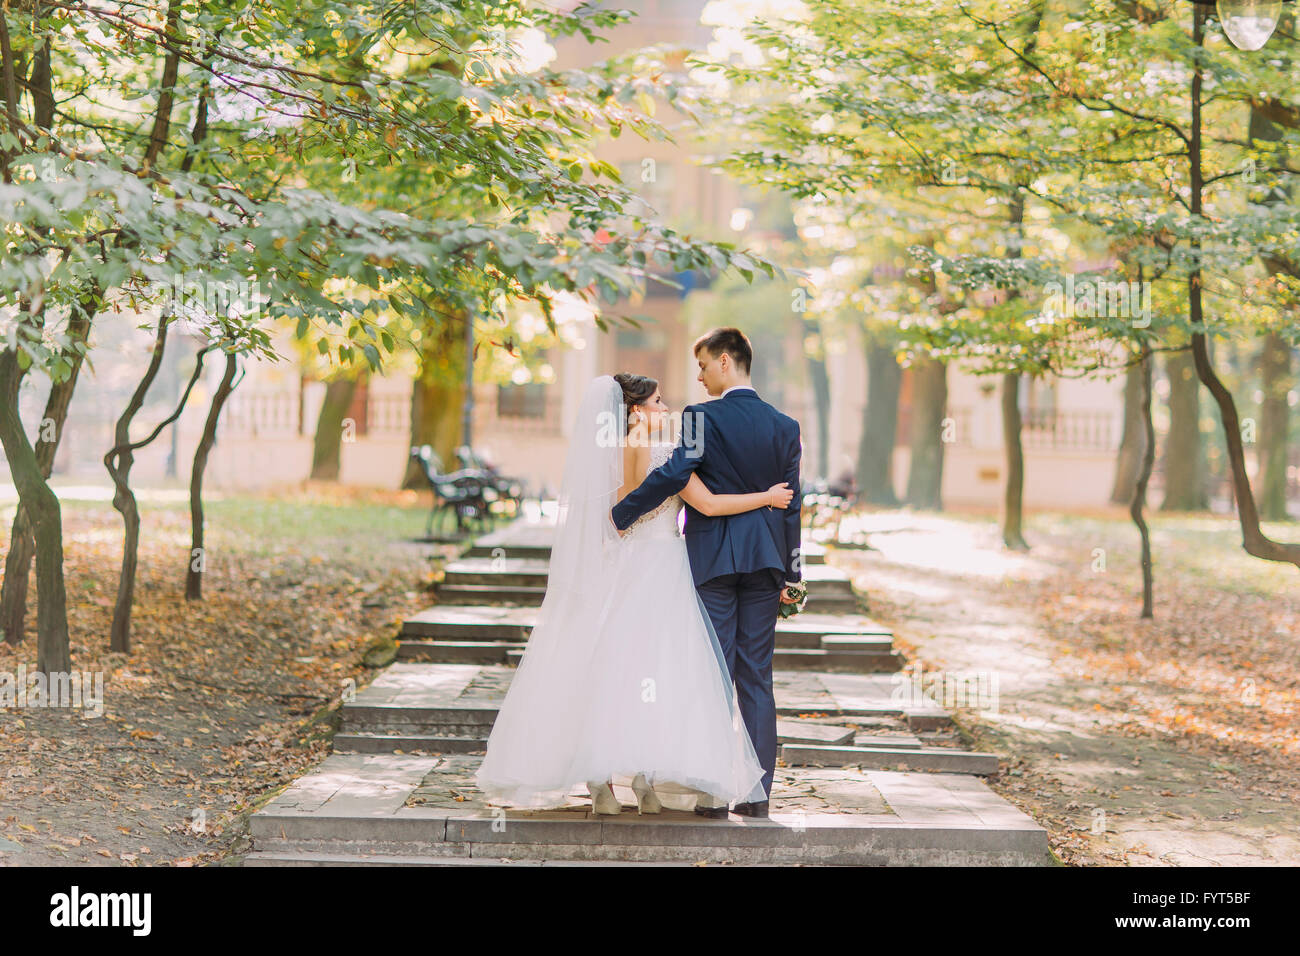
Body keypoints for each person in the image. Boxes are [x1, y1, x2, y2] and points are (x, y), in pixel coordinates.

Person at [473, 371, 795, 815]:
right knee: (661, 671)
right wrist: (767, 497)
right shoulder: (665, 454)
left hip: (633, 563)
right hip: (663, 564)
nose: (667, 409)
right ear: (637, 409)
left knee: (618, 669)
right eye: (659, 402)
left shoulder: (617, 450)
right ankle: (642, 781)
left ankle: (608, 782)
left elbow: (621, 509)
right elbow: (706, 505)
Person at [610, 327, 803, 819]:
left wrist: (622, 513)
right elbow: (792, 506)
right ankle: (757, 797)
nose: (697, 377)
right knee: (757, 677)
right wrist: (792, 573)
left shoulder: (700, 417)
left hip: (713, 561)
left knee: (714, 673)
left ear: (723, 361)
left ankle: (715, 793)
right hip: (765, 562)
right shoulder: (785, 426)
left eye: (701, 366)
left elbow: (676, 473)